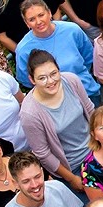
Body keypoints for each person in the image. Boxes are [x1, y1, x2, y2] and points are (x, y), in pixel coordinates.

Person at [19, 50, 94, 194]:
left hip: (96, 150)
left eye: (54, 74)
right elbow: (43, 153)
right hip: (73, 167)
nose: (51, 81)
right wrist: (71, 178)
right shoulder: (30, 113)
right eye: (42, 78)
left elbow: (90, 111)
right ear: (32, 80)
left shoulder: (71, 81)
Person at [15, 0, 101, 105]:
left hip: (87, 92)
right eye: (32, 19)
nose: (38, 21)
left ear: (49, 13)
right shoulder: (23, 49)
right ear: (26, 23)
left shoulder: (72, 30)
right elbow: (27, 80)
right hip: (55, 103)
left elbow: (88, 57)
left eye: (41, 15)